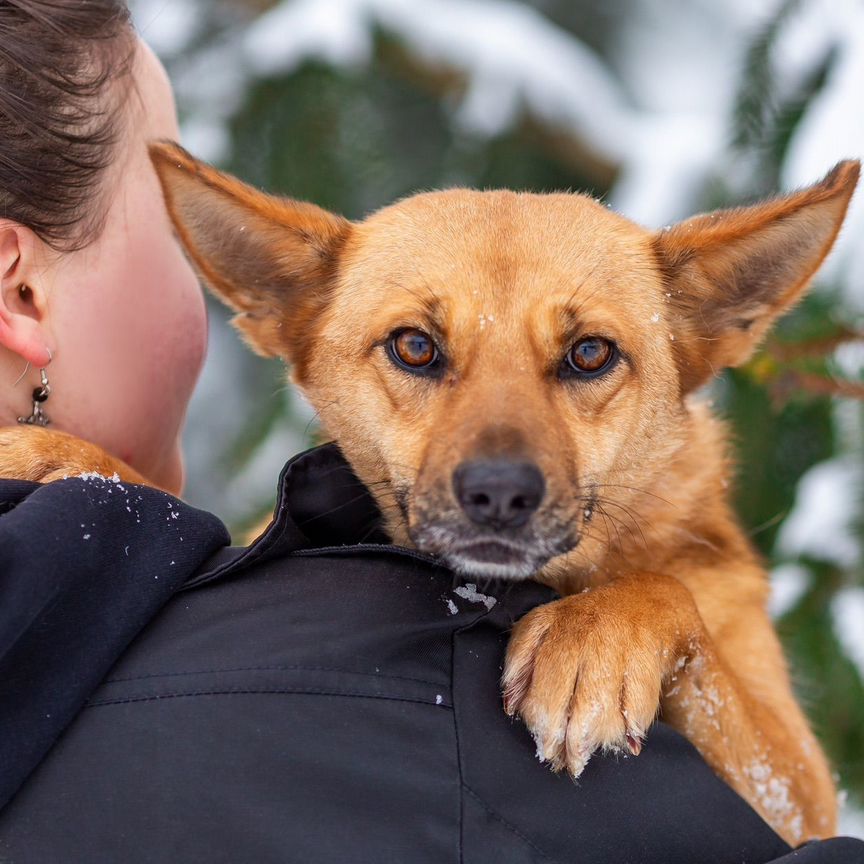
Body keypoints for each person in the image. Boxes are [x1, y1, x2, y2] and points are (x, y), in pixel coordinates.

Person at [0, 3, 863, 861]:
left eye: (587, 357)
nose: (498, 469)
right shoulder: (304, 549)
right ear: (298, 332)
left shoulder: (695, 582)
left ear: (693, 347)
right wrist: (99, 501)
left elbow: (797, 819)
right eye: (418, 351)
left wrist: (667, 633)